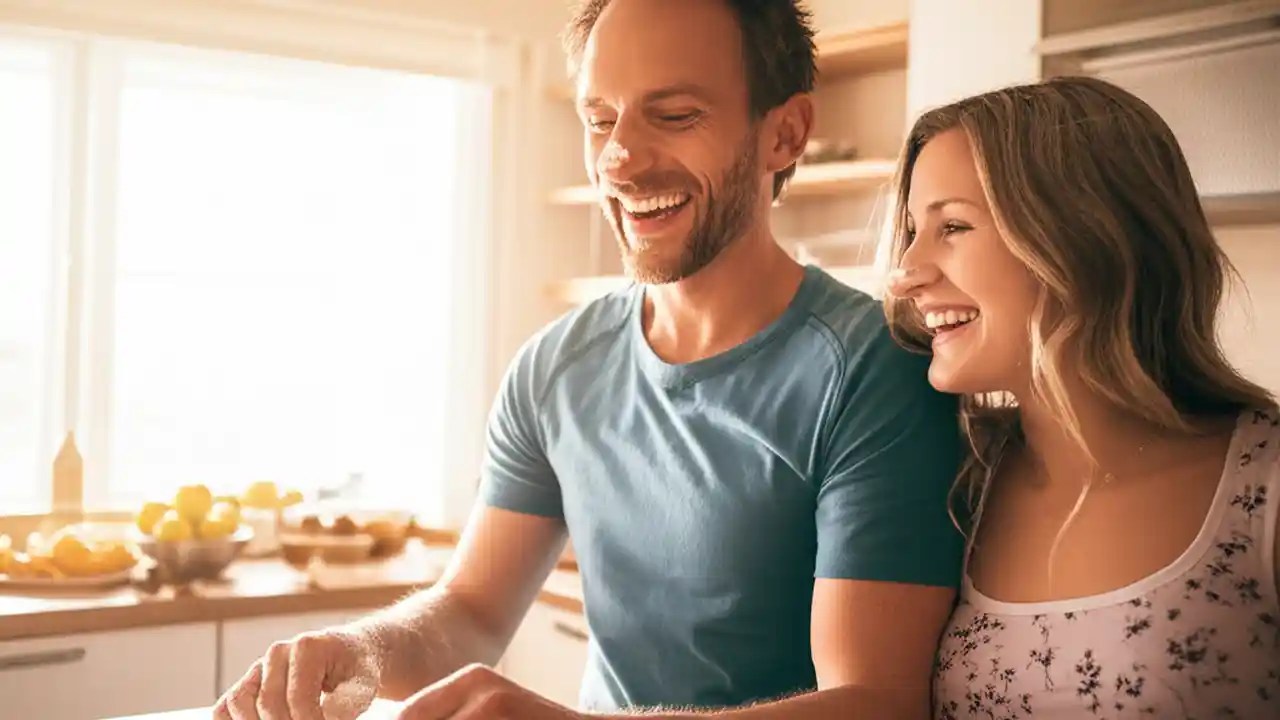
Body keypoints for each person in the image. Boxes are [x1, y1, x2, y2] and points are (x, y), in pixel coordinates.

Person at [215, 1, 964, 719]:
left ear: (786, 133)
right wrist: (362, 652)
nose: (621, 158)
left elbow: (876, 705)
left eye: (674, 116)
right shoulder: (554, 367)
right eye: (600, 120)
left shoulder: (875, 370)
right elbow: (472, 611)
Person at [884, 75, 1280, 719]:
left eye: (953, 225)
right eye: (911, 231)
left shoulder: (1264, 485)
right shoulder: (959, 482)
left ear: (1083, 234)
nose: (905, 273)